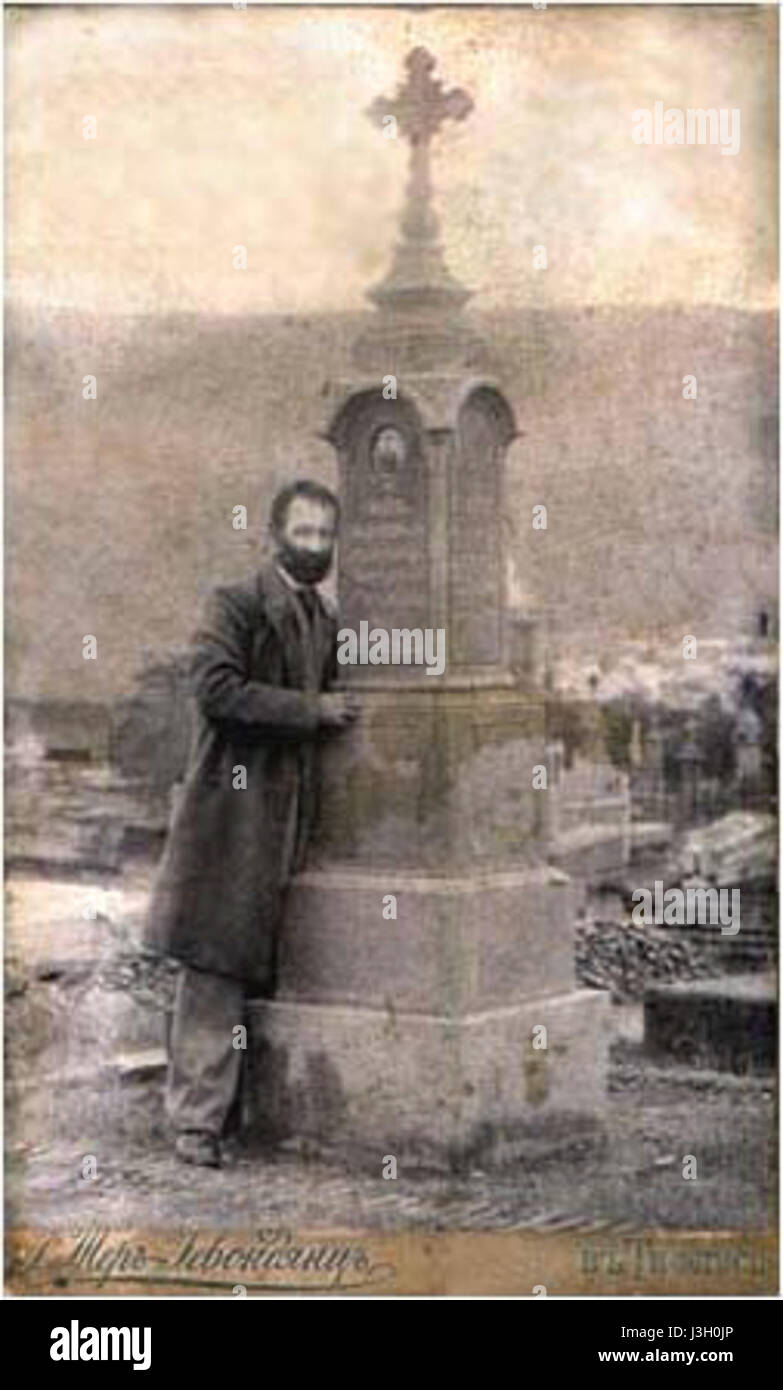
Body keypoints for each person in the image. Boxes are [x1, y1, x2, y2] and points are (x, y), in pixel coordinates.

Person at [143, 479, 358, 1167]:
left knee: (258, 965)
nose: (315, 547)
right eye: (303, 533)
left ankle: (233, 1112)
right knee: (215, 965)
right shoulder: (234, 604)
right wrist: (310, 710)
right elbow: (214, 689)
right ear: (275, 535)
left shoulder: (324, 621)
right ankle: (194, 1124)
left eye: (326, 536)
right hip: (230, 816)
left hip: (288, 820)